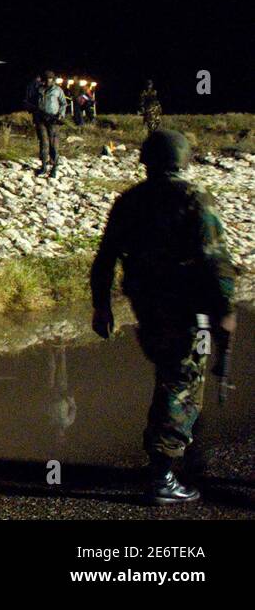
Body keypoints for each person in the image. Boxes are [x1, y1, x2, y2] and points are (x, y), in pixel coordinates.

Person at [90, 129, 237, 504]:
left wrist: (102, 306)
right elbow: (215, 260)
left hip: (146, 304)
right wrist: (225, 310)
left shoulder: (130, 201)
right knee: (181, 380)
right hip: (185, 306)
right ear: (183, 160)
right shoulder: (193, 198)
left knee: (169, 374)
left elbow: (105, 258)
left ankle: (168, 455)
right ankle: (163, 473)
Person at [33, 71, 66, 177]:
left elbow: (63, 103)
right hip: (40, 119)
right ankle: (43, 166)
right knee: (43, 142)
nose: (48, 80)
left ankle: (54, 168)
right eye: (46, 78)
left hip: (53, 120)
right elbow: (33, 103)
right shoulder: (39, 89)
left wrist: (60, 115)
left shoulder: (57, 90)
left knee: (53, 144)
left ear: (53, 79)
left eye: (50, 78)